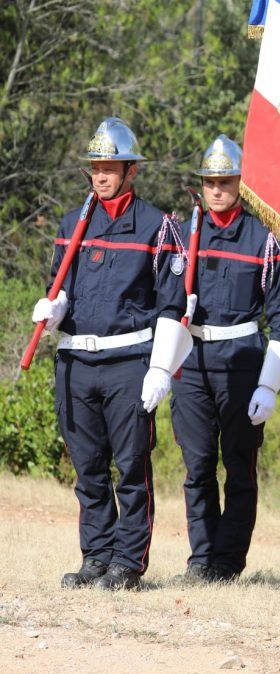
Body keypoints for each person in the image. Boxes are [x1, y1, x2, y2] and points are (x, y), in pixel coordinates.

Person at [33, 117, 191, 591]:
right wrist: (54, 307)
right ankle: (95, 556)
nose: (100, 176)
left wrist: (161, 368)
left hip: (128, 363)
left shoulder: (158, 226)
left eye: (110, 168)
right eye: (95, 168)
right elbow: (61, 288)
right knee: (89, 469)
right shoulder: (71, 222)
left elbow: (172, 304)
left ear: (129, 170)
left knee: (131, 467)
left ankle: (128, 563)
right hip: (76, 363)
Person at [170, 134, 280, 583]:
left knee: (239, 467)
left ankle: (227, 562)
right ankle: (201, 557)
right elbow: (164, 302)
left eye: (225, 181)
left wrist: (269, 383)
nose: (217, 190)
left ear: (241, 184)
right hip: (191, 358)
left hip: (242, 360)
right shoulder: (185, 232)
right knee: (197, 464)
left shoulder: (266, 237)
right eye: (210, 182)